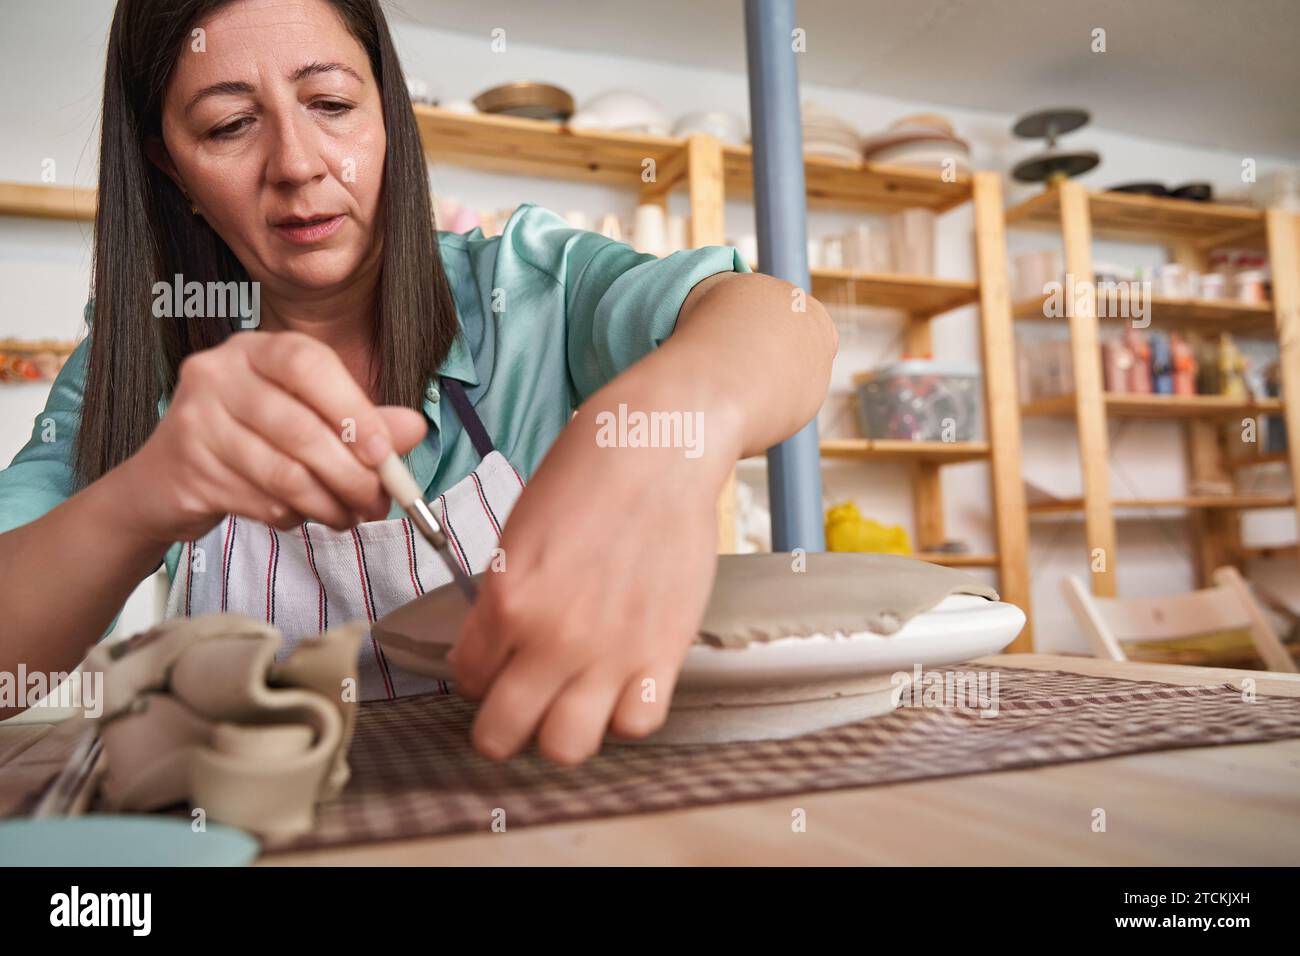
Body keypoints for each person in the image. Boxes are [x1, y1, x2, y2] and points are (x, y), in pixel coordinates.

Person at [0, 0, 837, 764]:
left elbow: (786, 322)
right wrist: (144, 499)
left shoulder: (525, 289)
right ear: (171, 167)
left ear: (387, 112)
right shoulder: (140, 356)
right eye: (228, 125)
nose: (298, 164)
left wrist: (665, 428)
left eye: (330, 105)